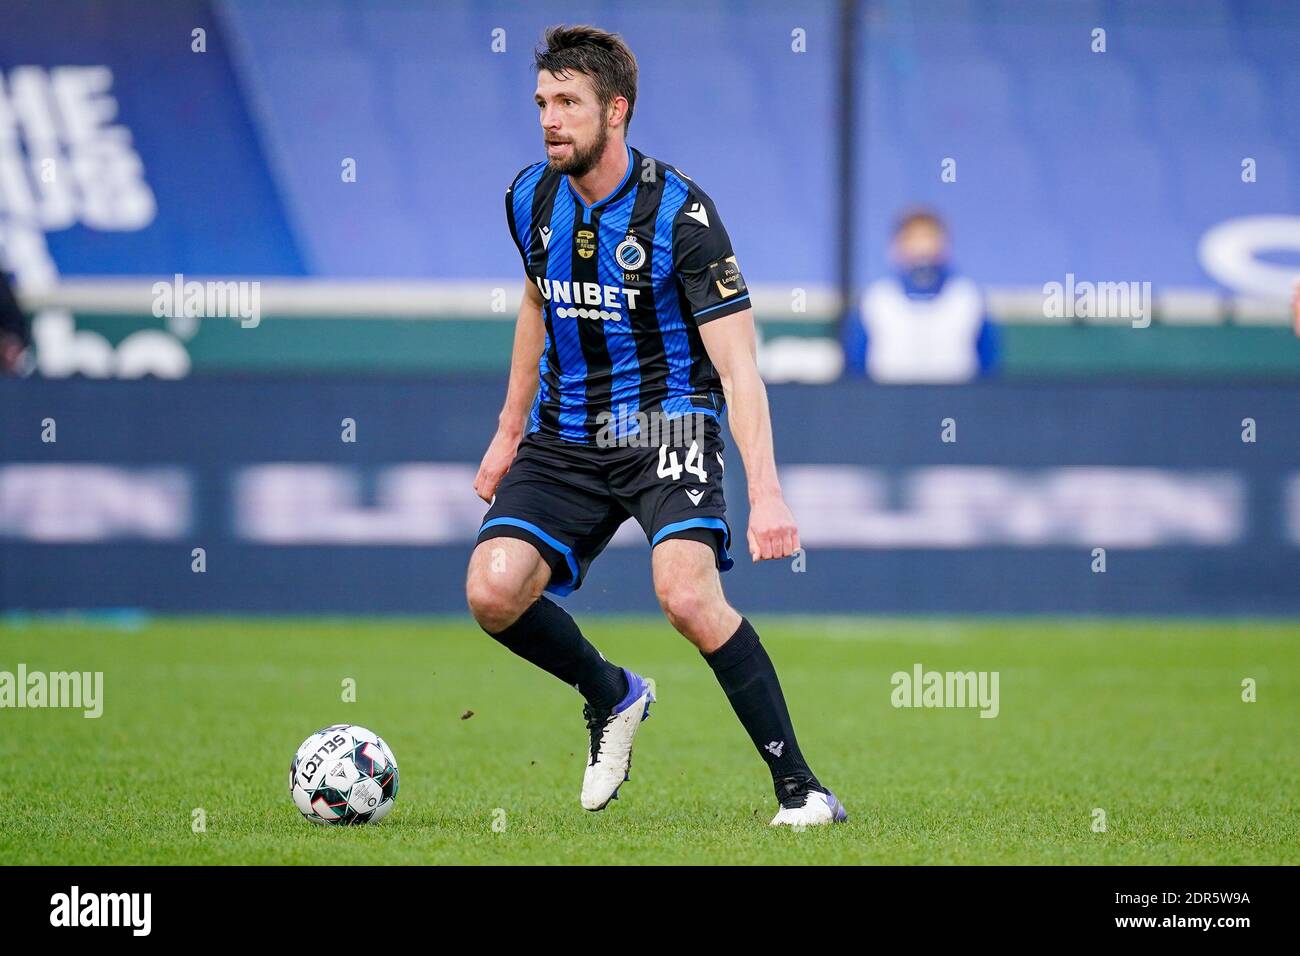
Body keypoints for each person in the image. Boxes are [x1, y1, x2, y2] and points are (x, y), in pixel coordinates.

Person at [465, 25, 845, 826]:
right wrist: (507, 433)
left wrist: (768, 493)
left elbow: (741, 368)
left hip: (665, 426)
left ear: (617, 110)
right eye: (542, 102)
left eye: (568, 102)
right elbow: (536, 304)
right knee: (493, 591)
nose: (549, 120)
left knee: (684, 594)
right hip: (565, 431)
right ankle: (611, 693)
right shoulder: (527, 197)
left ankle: (803, 791)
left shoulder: (683, 216)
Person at [843, 208, 998, 383]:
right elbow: (855, 365)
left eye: (930, 237)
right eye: (912, 238)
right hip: (888, 403)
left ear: (946, 246)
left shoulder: (968, 298)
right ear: (895, 247)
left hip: (955, 404)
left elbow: (988, 364)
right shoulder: (875, 299)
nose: (922, 247)